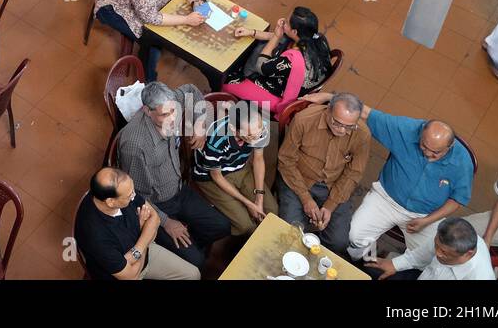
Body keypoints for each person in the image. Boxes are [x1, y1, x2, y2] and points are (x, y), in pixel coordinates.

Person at [321, 97, 474, 262]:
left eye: (435, 153)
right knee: (354, 235)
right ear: (421, 132)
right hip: (386, 198)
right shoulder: (407, 129)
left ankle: (394, 260)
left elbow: (457, 200)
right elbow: (365, 112)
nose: (427, 154)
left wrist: (427, 221)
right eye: (423, 146)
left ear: (449, 147)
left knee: (431, 257)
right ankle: (362, 259)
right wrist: (328, 97)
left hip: (425, 214)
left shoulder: (463, 161)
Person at [116, 81, 230, 272]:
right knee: (197, 263)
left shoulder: (171, 102)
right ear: (147, 110)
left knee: (222, 226)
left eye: (174, 111)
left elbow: (193, 90)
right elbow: (134, 195)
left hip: (179, 190)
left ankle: (189, 245)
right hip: (156, 207)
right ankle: (173, 250)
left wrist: (200, 126)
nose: (173, 118)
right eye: (164, 115)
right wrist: (166, 221)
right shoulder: (134, 146)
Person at [276, 93, 370, 253]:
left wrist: (330, 206)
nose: (342, 130)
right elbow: (286, 161)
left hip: (334, 185)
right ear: (327, 111)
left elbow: (353, 173)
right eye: (337, 123)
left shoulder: (362, 134)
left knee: (338, 242)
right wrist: (306, 199)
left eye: (349, 126)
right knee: (292, 234)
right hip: (298, 179)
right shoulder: (304, 120)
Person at [74, 166, 198, 280]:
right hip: (125, 274)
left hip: (142, 251)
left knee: (193, 275)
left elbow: (155, 217)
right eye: (129, 195)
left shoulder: (124, 189)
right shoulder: (95, 236)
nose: (134, 196)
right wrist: (144, 236)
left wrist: (137, 248)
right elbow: (131, 276)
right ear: (110, 202)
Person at [224, 6, 332, 111]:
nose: (283, 21)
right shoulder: (317, 40)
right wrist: (252, 32)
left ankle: (226, 103)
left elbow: (261, 66)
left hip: (281, 95)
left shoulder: (291, 61)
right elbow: (282, 38)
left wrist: (276, 36)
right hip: (300, 86)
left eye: (286, 22)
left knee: (228, 79)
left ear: (294, 32)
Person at [192, 102, 275, 236]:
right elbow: (216, 176)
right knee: (246, 226)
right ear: (233, 128)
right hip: (211, 176)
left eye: (258, 132)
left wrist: (259, 199)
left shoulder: (259, 128)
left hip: (240, 166)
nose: (256, 138)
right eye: (249, 136)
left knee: (271, 211)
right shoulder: (216, 138)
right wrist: (249, 203)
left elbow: (258, 159)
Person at [364, 216, 495, 281]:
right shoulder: (447, 236)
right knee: (370, 269)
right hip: (423, 275)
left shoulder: (480, 276)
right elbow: (417, 257)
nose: (437, 253)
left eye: (444, 252)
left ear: (468, 254)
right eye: (436, 245)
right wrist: (394, 264)